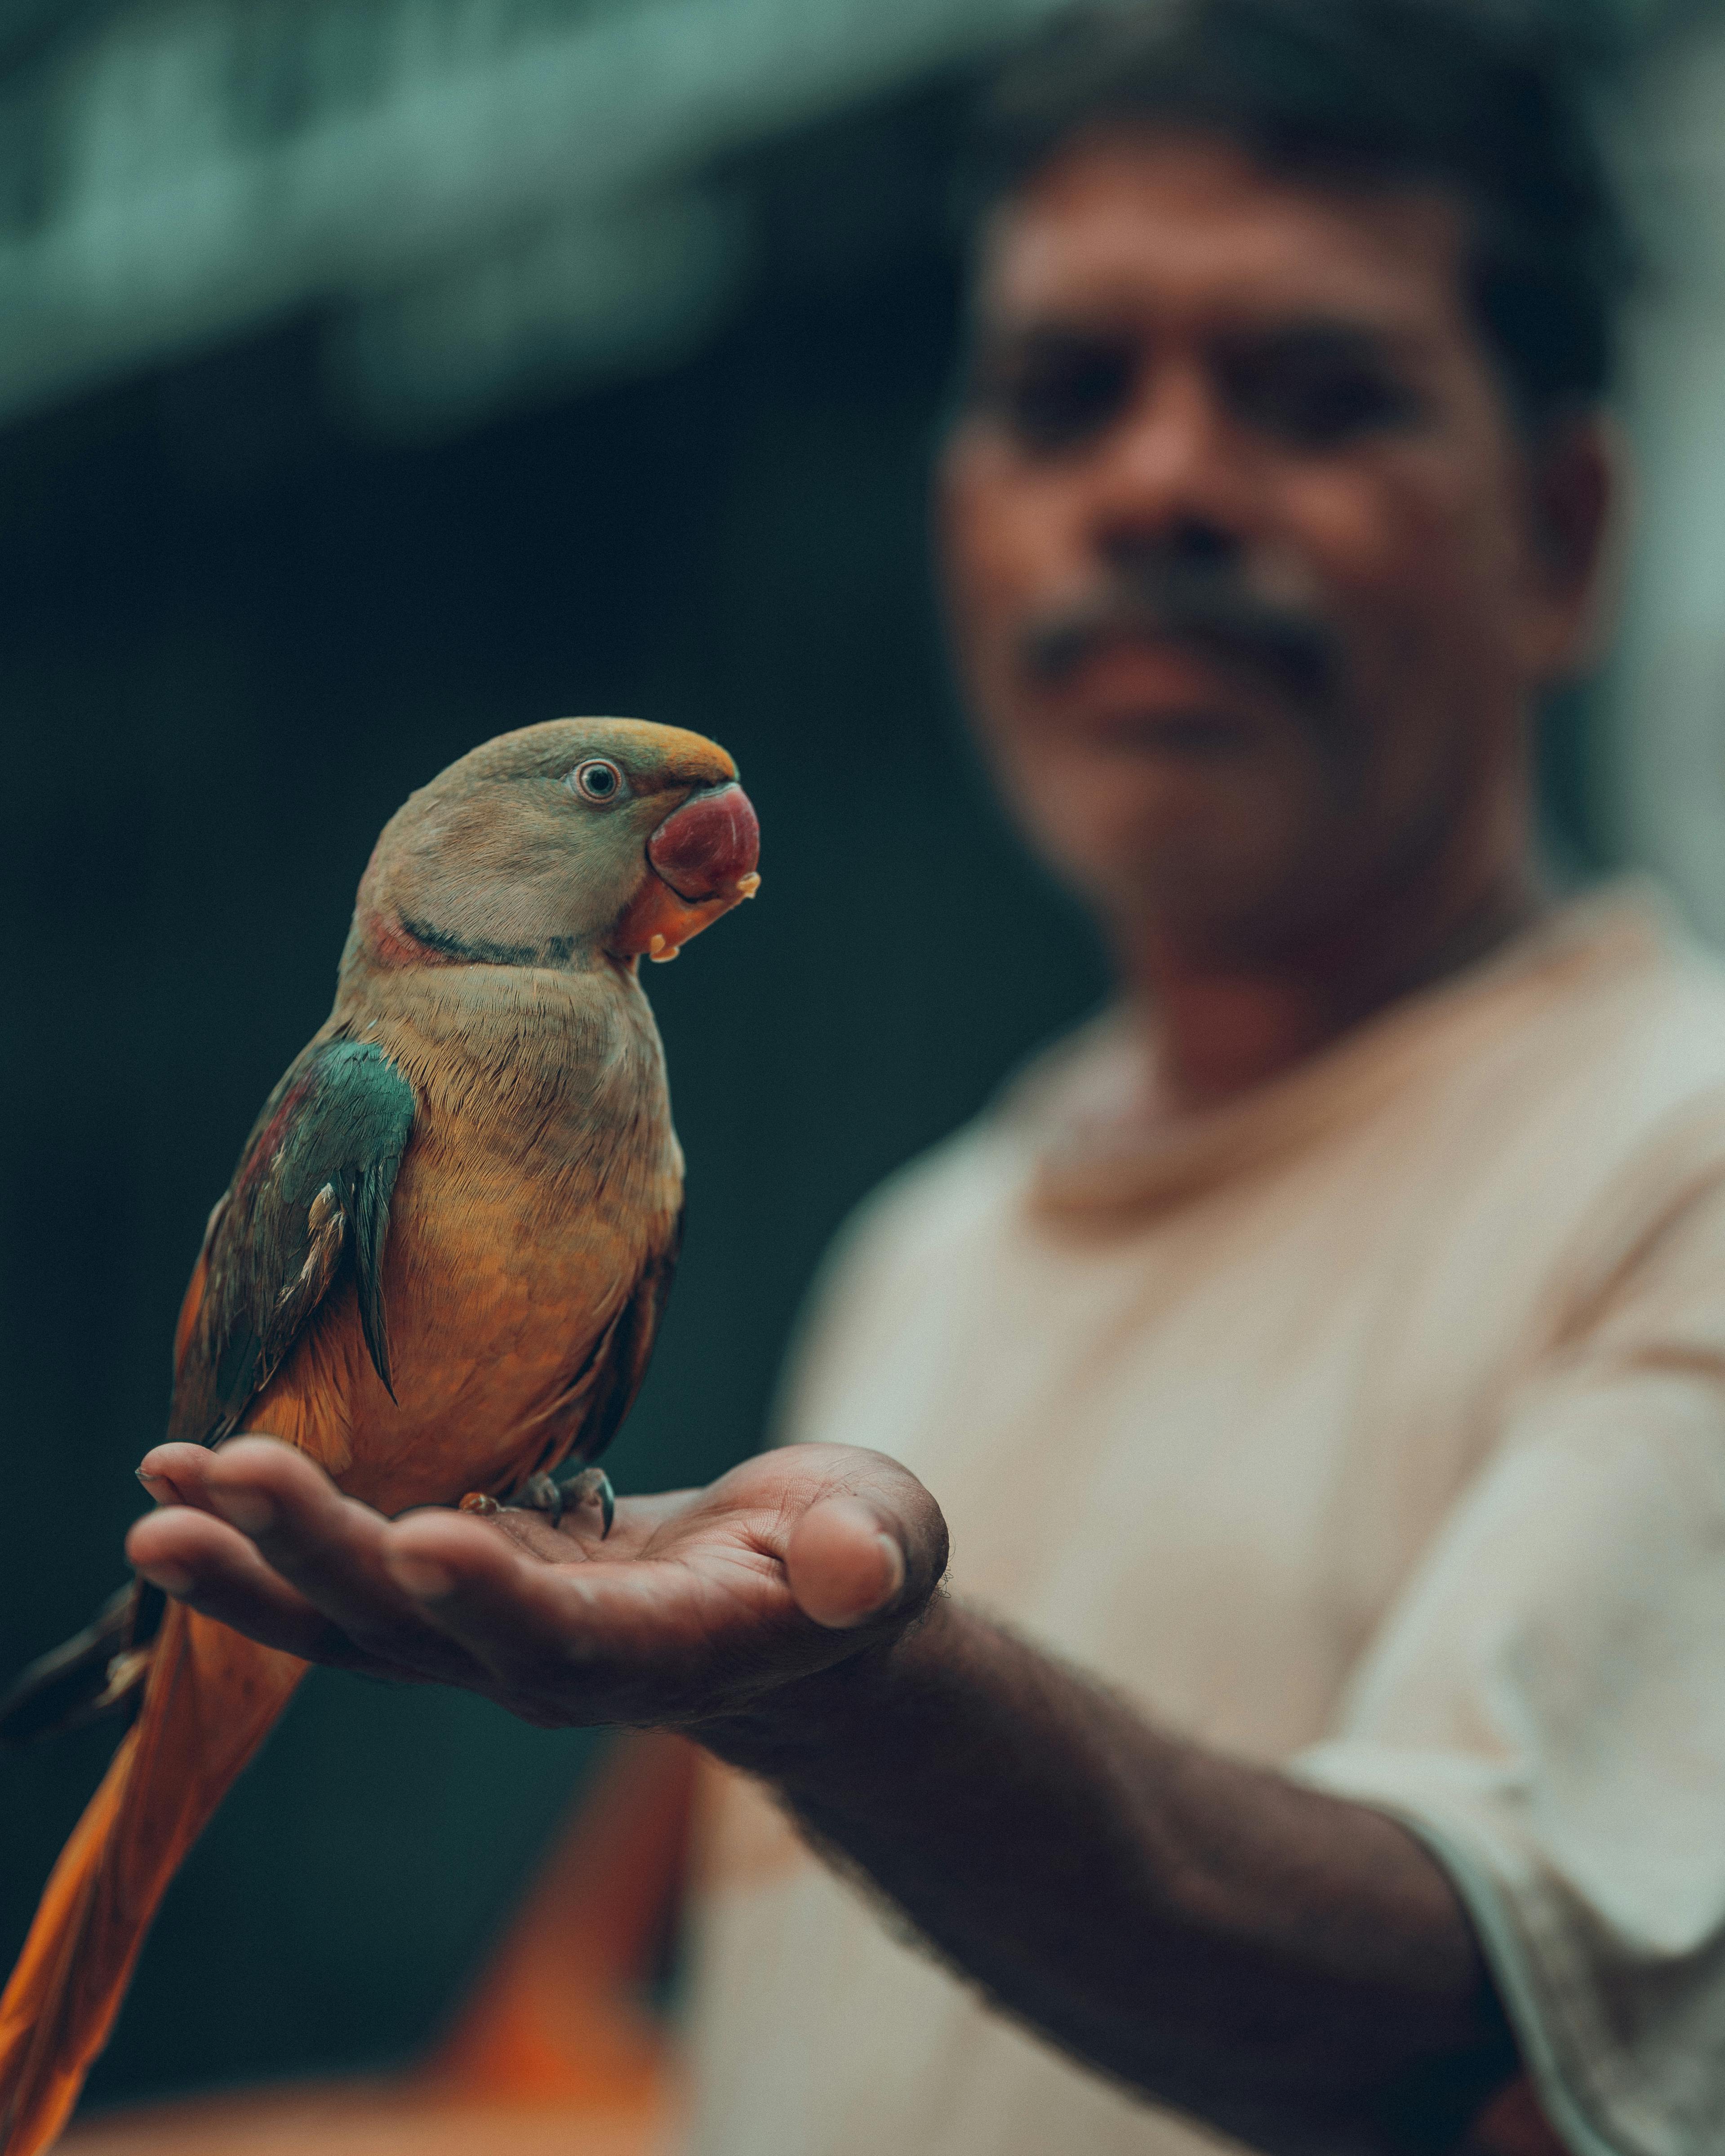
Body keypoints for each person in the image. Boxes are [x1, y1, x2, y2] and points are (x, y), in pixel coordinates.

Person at [125, 4, 1725, 2152]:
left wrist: (854, 1696)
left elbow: (1473, 2015)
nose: (1156, 483)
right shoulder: (936, 1242)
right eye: (1064, 397)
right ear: (959, 509)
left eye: (1315, 392)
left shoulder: (1676, 1156)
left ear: (1566, 521)